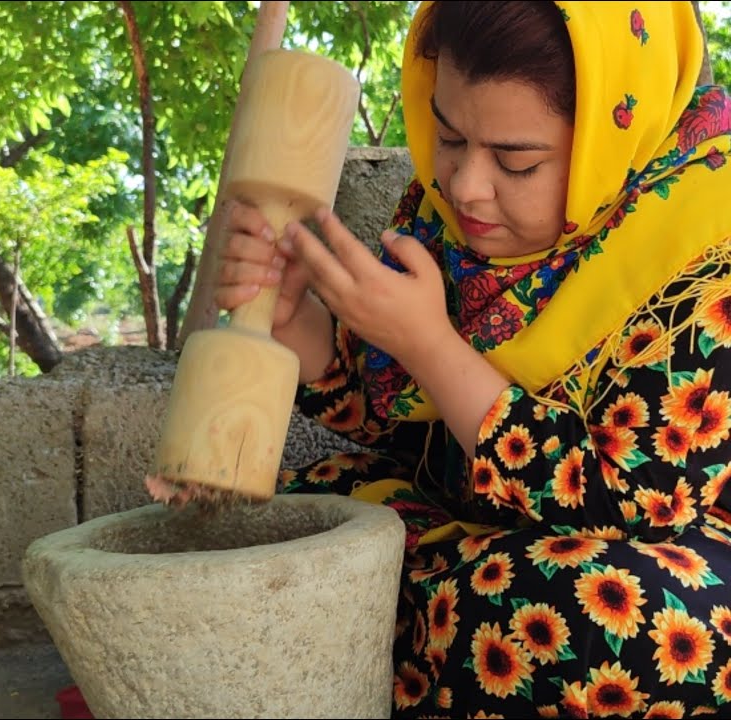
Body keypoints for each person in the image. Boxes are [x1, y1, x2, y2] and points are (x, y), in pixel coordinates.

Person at [218, 1, 731, 716]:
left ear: (613, 134)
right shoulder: (448, 212)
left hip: (653, 554)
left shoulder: (707, 234)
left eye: (517, 162)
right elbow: (396, 424)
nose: (465, 185)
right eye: (449, 136)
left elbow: (630, 501)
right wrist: (297, 320)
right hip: (469, 530)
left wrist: (430, 344)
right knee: (283, 523)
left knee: (602, 619)